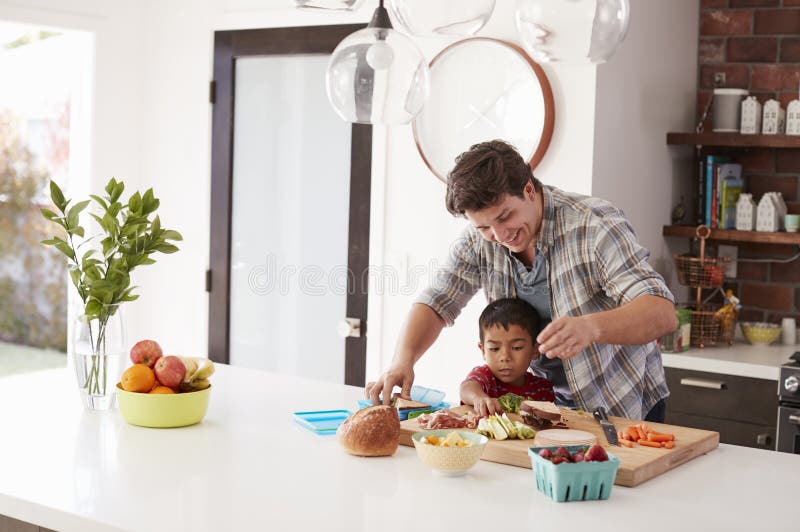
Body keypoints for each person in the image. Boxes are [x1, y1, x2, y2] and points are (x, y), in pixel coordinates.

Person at [366, 139, 678, 422]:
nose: (499, 236)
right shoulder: (481, 242)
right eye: (484, 227)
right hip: (551, 407)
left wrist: (590, 327)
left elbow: (662, 313)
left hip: (621, 402)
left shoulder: (593, 226)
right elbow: (437, 302)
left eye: (504, 217)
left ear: (529, 190)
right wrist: (402, 360)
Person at [461, 298, 555, 417]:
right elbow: (467, 387)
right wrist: (478, 398)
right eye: (494, 348)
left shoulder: (543, 390)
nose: (505, 357)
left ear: (535, 350)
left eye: (516, 347)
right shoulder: (485, 377)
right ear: (483, 351)